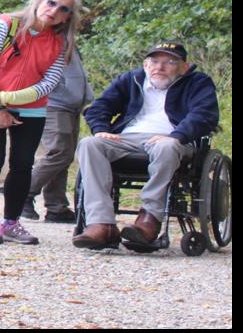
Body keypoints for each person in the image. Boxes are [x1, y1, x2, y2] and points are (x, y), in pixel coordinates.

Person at [72, 42, 220, 250]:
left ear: (184, 67)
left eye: (169, 62)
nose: (160, 67)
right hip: (127, 139)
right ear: (145, 65)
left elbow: (204, 115)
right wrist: (100, 129)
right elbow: (99, 107)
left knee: (166, 147)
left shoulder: (198, 83)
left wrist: (177, 136)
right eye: (154, 61)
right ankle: (101, 224)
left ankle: (149, 219)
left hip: (174, 139)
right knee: (89, 144)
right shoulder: (130, 79)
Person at [0, 0, 79, 246]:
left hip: (31, 105)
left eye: (64, 9)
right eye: (51, 3)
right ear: (39, 1)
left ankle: (11, 222)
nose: (54, 11)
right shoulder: (6, 25)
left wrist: (7, 100)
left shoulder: (60, 41)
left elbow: (48, 83)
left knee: (23, 163)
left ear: (67, 18)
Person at [23, 42, 93, 223]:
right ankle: (22, 193)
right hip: (54, 103)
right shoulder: (47, 38)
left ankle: (56, 207)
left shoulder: (67, 39)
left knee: (64, 155)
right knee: (59, 153)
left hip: (71, 105)